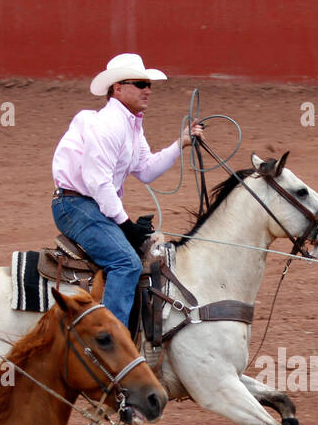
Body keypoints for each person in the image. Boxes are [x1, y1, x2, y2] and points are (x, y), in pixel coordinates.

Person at [51, 52, 205, 327]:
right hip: (75, 206)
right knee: (127, 263)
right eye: (141, 84)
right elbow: (98, 180)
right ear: (118, 88)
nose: (148, 90)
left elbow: (145, 169)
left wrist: (179, 143)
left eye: (149, 85)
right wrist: (124, 224)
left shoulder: (131, 125)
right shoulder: (109, 125)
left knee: (144, 255)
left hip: (90, 205)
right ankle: (110, 341)